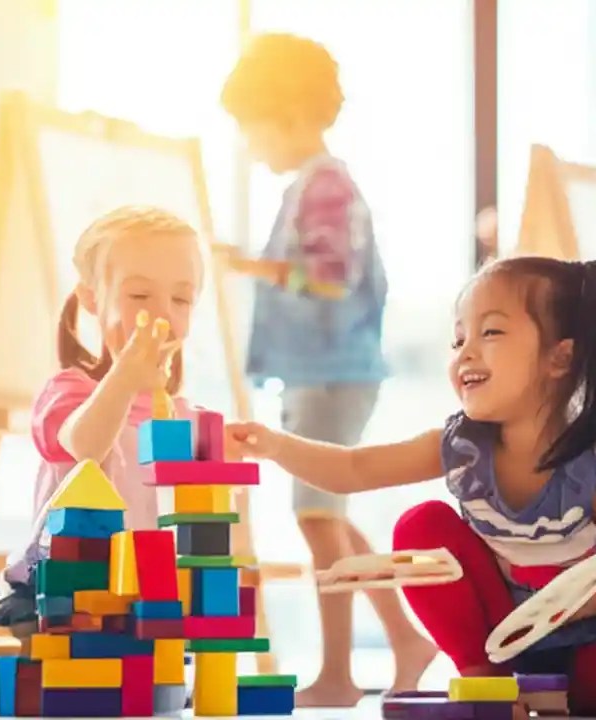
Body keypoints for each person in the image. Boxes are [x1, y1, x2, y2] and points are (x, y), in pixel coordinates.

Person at [228, 257, 596, 718]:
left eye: (491, 333)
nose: (465, 353)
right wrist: (273, 444)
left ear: (559, 359)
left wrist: (591, 600)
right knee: (421, 525)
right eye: (459, 339)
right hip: (499, 642)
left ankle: (571, 692)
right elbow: (355, 470)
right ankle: (484, 680)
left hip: (591, 639)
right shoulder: (460, 445)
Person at [219, 33, 436, 706]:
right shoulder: (312, 187)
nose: (252, 147)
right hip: (325, 371)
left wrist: (249, 266)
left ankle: (340, 671)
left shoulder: (325, 187)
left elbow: (330, 279)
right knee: (327, 515)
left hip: (334, 370)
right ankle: (402, 638)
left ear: (286, 115)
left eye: (253, 131)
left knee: (316, 516)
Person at [0, 205, 204, 637]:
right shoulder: (69, 393)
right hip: (65, 593)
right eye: (139, 296)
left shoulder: (185, 418)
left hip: (150, 597)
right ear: (91, 298)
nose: (162, 313)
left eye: (180, 299)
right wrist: (126, 375)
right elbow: (85, 446)